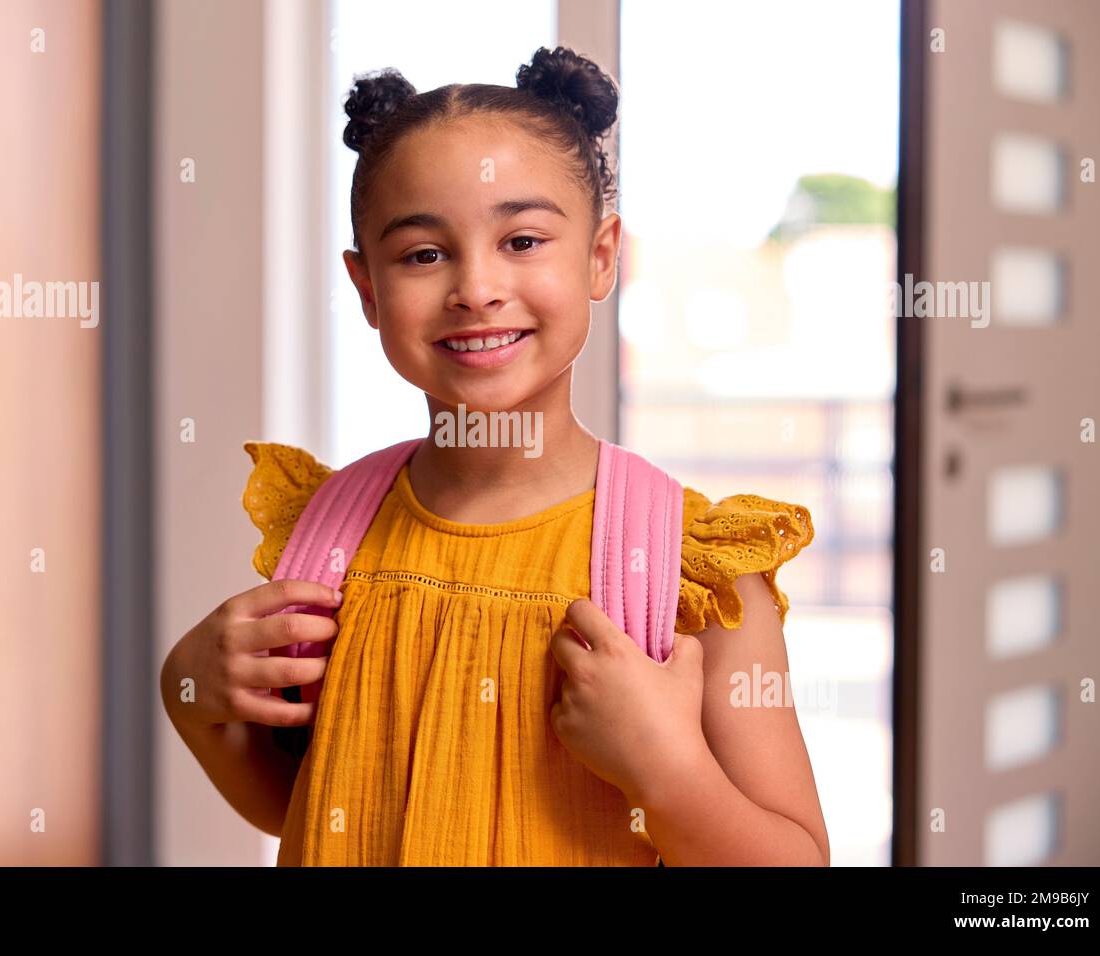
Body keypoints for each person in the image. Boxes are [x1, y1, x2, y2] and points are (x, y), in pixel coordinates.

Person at [162, 46, 826, 866]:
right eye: (423, 254)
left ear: (600, 258)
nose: (475, 287)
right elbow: (304, 805)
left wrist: (668, 769)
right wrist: (190, 696)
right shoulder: (327, 541)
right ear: (367, 288)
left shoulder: (694, 576)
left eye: (521, 240)